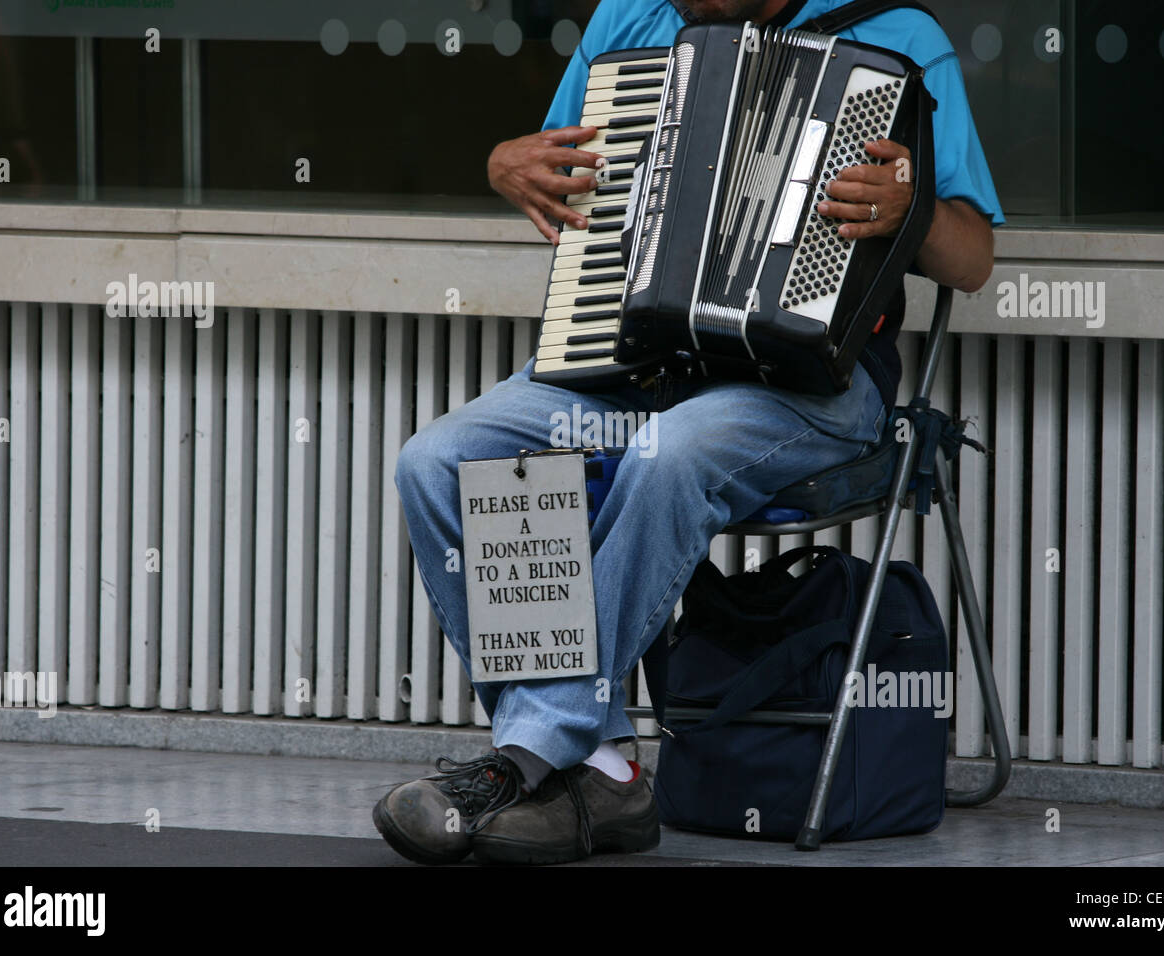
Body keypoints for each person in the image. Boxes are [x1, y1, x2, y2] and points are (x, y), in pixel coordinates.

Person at [373, 0, 1003, 866]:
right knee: (440, 459)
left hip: (812, 385)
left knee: (666, 455)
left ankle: (527, 760)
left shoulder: (898, 37)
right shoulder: (627, 20)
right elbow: (560, 170)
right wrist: (499, 164)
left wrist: (913, 211)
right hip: (634, 369)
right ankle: (602, 769)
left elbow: (972, 260)